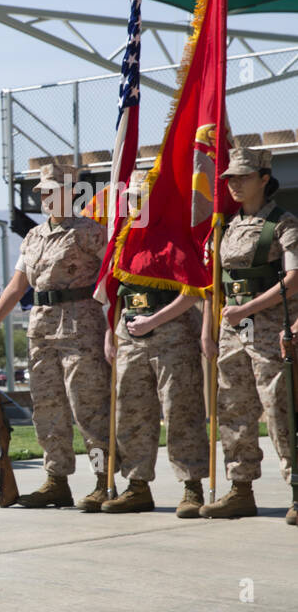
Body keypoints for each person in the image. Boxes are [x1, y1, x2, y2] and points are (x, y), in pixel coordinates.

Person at [0, 162, 111, 510]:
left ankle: (102, 480)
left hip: (81, 328)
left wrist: (114, 322)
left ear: (71, 192)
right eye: (42, 193)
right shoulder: (34, 237)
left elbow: (113, 273)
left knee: (88, 408)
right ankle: (56, 480)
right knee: (48, 408)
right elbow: (17, 285)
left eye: (52, 191)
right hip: (41, 332)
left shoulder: (89, 232)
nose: (46, 198)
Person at [101, 171, 209, 517]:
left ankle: (192, 487)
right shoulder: (122, 240)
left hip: (171, 335)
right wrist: (110, 332)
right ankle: (136, 486)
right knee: (132, 411)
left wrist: (154, 321)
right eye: (130, 199)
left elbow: (192, 291)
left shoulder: (173, 238)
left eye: (141, 198)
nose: (135, 205)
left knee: (181, 411)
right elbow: (115, 293)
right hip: (129, 337)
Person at [200, 146, 298, 521]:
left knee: (279, 410)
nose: (234, 184)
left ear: (263, 179)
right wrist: (208, 329)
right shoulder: (224, 226)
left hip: (269, 329)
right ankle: (240, 488)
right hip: (231, 332)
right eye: (230, 178)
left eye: (242, 177)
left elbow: (294, 279)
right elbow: (215, 285)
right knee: (233, 409)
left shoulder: (283, 224)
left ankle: (296, 488)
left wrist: (249, 309)